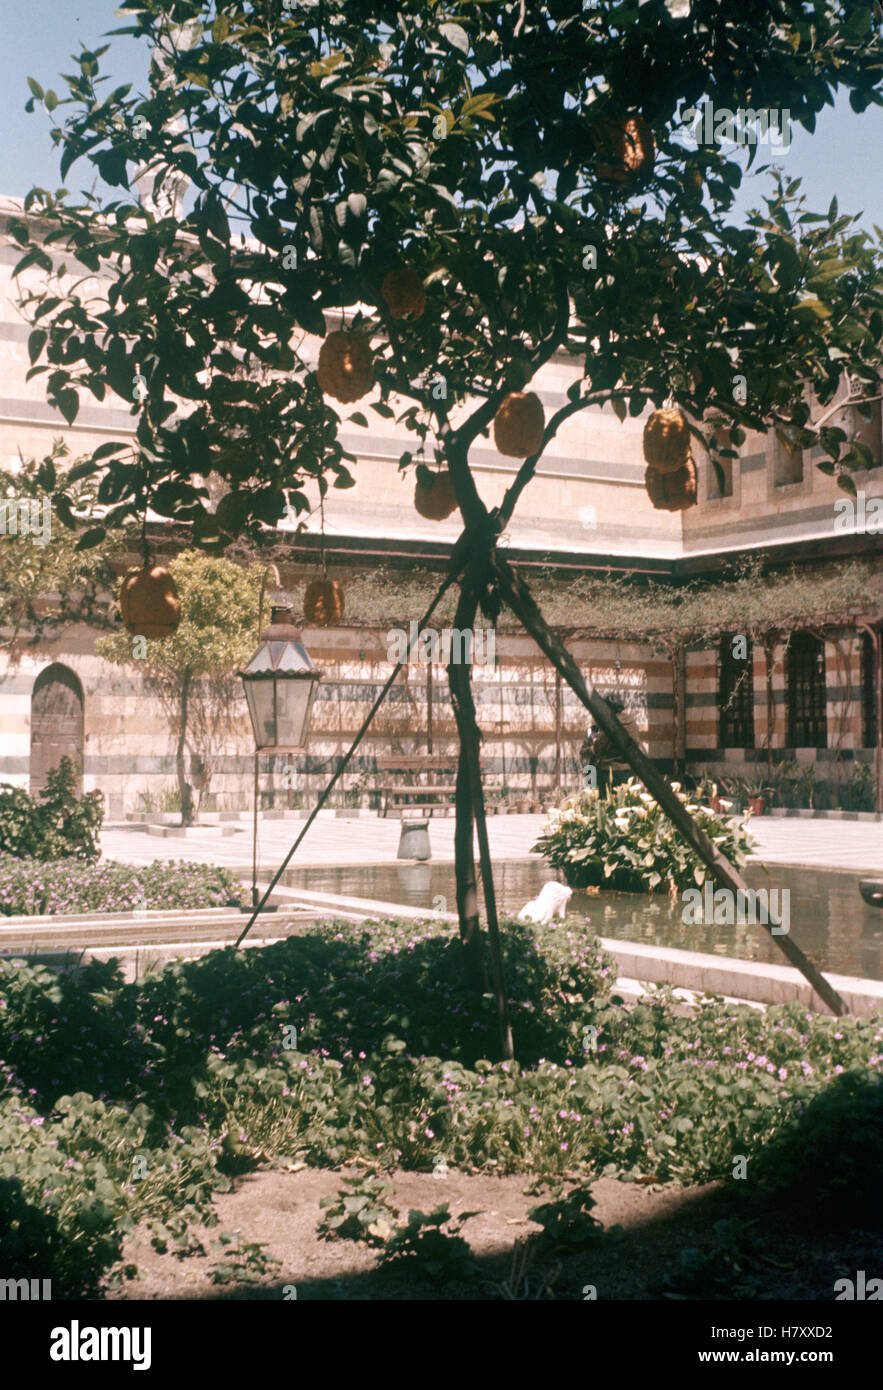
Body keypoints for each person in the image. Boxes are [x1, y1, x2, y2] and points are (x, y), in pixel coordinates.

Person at [580, 694, 640, 796]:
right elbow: (636, 743)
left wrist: (594, 745)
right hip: (630, 770)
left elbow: (598, 748)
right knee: (628, 803)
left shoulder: (612, 723)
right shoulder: (631, 722)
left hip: (611, 772)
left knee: (610, 805)